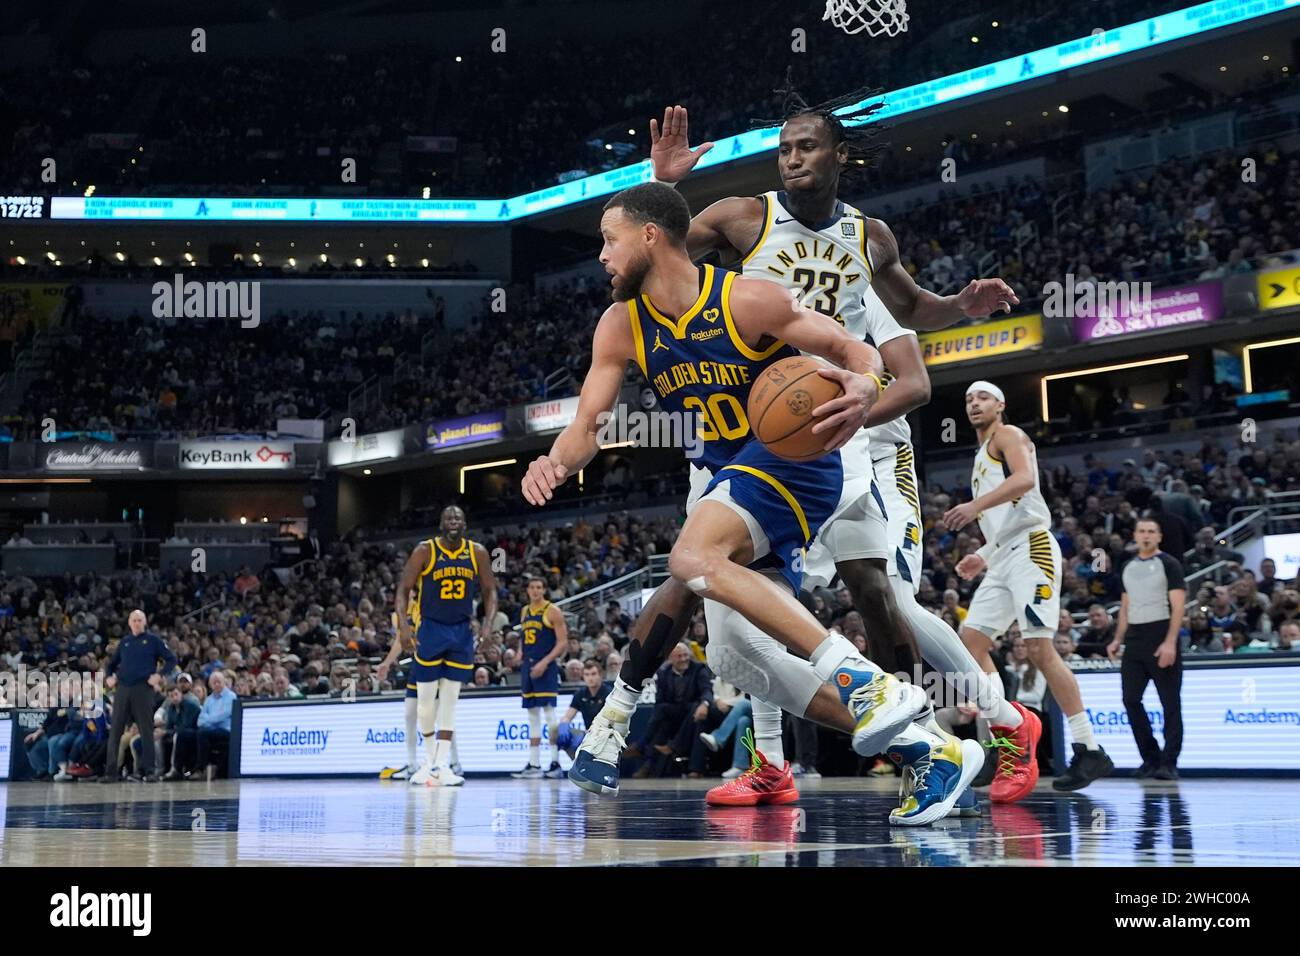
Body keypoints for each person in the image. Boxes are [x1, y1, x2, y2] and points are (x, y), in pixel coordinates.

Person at [648, 97, 1014, 820]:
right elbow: (650, 258)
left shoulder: (868, 234)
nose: (792, 158)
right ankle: (782, 758)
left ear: (839, 154)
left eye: (808, 147)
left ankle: (931, 744)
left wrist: (960, 306)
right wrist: (665, 187)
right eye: (785, 148)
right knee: (750, 607)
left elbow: (908, 308)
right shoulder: (738, 218)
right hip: (760, 436)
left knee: (876, 594)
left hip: (836, 431)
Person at [525, 182, 935, 809]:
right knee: (741, 656)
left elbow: (848, 345)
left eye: (609, 241)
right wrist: (553, 463)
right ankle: (926, 747)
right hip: (728, 476)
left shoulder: (747, 298)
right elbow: (586, 429)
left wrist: (863, 381)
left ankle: (866, 683)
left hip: (793, 463)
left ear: (650, 236)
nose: (601, 257)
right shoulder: (621, 323)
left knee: (690, 559)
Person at [944, 382, 1114, 802]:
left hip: (1033, 549)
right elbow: (1008, 519)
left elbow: (1025, 481)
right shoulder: (980, 455)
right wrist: (982, 555)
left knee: (1039, 649)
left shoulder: (1009, 435)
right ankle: (1007, 738)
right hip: (1004, 557)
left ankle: (1088, 748)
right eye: (968, 399)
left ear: (1000, 404)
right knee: (969, 647)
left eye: (982, 397)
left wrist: (974, 508)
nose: (974, 404)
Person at [396, 506, 497, 787]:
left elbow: (490, 591)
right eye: (448, 518)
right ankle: (429, 761)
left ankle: (441, 765)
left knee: (450, 703)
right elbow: (404, 589)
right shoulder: (424, 550)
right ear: (441, 524)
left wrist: (487, 627)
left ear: (465, 524)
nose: (453, 521)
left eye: (458, 518)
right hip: (431, 629)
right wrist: (404, 626)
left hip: (461, 631)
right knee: (426, 705)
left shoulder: (477, 552)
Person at [1110, 518, 1187, 780]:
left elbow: (1178, 606)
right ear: (1134, 535)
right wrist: (1117, 639)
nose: (1146, 535)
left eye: (1151, 531)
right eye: (1142, 531)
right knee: (1131, 700)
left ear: (1159, 536)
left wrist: (1170, 642)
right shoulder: (1128, 566)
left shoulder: (1169, 564)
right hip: (1134, 638)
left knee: (1170, 703)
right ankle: (1150, 758)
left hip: (1161, 634)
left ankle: (1169, 762)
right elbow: (1125, 607)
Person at [101, 609, 175, 783]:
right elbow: (111, 665)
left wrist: (159, 675)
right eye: (134, 620)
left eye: (140, 620)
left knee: (146, 730)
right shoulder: (125, 642)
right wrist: (109, 677)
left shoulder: (153, 641)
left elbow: (171, 660)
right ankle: (111, 772)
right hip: (123, 688)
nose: (136, 623)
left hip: (143, 688)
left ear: (145, 622)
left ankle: (149, 771)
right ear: (129, 623)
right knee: (116, 730)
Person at [511, 578, 568, 779]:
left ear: (544, 589)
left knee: (549, 713)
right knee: (532, 715)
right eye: (532, 587)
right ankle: (534, 764)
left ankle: (554, 762)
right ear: (527, 590)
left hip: (547, 665)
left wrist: (545, 662)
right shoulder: (525, 611)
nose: (535, 591)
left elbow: (562, 643)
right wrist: (520, 653)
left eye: (539, 587)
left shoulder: (552, 611)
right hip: (528, 665)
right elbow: (524, 637)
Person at [554, 659, 612, 760]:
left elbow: (610, 723)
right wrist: (563, 725)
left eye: (593, 674)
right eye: (587, 674)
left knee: (580, 738)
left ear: (600, 675)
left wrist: (587, 733)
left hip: (606, 735)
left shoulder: (609, 693)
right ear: (583, 676)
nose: (590, 678)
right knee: (555, 731)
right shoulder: (580, 694)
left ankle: (583, 762)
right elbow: (568, 716)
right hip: (588, 733)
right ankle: (559, 764)